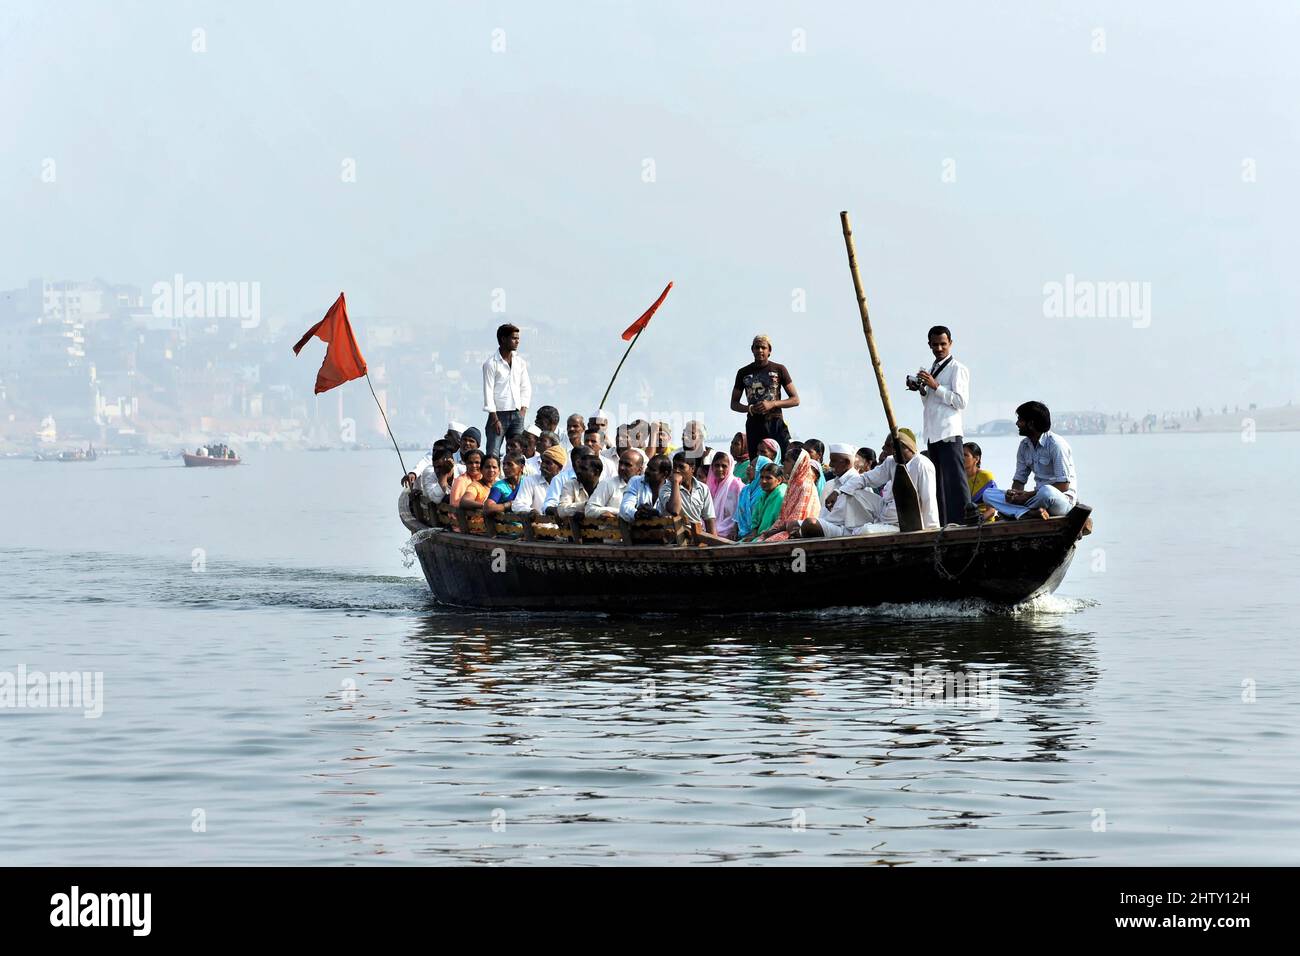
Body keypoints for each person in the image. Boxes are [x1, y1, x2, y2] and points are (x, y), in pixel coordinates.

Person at [905, 325, 972, 525]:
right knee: (938, 482)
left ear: (950, 343)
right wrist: (922, 389)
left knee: (955, 480)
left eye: (943, 344)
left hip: (949, 431)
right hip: (932, 432)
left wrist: (936, 386)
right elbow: (929, 402)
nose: (939, 348)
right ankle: (944, 521)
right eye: (935, 345)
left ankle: (964, 519)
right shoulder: (932, 368)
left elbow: (961, 402)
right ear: (929, 345)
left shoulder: (957, 368)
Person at [731, 333, 800, 463]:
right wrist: (750, 408)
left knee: (784, 459)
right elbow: (734, 403)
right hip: (754, 423)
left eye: (763, 347)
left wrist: (772, 404)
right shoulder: (743, 372)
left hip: (775, 422)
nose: (760, 350)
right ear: (752, 349)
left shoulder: (779, 369)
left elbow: (795, 399)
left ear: (769, 351)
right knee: (756, 462)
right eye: (756, 347)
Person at [854, 431, 940, 531]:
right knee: (854, 492)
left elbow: (928, 500)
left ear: (908, 447)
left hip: (905, 525)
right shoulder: (891, 461)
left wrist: (931, 531)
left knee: (866, 531)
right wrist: (838, 491)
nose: (893, 451)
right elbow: (866, 478)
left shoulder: (922, 464)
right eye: (891, 447)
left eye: (895, 447)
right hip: (884, 516)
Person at [1004, 401, 1077, 517]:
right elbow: (1019, 480)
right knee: (989, 494)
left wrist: (1028, 495)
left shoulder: (1056, 445)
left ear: (1031, 424)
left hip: (1060, 501)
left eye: (1020, 420)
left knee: (1046, 491)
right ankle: (1028, 512)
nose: (1017, 424)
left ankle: (1020, 512)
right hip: (1036, 498)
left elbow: (1064, 486)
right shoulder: (1024, 446)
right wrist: (1014, 494)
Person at [481, 323, 531, 458]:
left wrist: (523, 410)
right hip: (498, 415)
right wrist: (494, 418)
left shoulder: (520, 362)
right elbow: (488, 391)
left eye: (518, 338)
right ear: (503, 339)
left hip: (517, 414)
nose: (517, 341)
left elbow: (525, 386)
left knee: (517, 453)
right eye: (514, 338)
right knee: (493, 453)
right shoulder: (491, 364)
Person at [760, 447, 822, 541]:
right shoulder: (794, 483)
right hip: (785, 527)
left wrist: (775, 531)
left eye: (787, 460)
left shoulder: (805, 486)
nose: (784, 463)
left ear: (797, 464)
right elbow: (784, 515)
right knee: (760, 539)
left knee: (766, 543)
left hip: (797, 531)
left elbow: (798, 518)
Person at [658, 451, 716, 533]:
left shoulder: (703, 488)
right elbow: (675, 510)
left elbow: (709, 520)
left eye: (681, 467)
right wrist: (675, 482)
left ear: (692, 469)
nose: (677, 470)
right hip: (673, 538)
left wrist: (713, 543)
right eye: (674, 467)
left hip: (697, 536)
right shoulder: (666, 488)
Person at [587, 448, 644, 517]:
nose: (622, 467)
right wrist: (619, 512)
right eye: (620, 463)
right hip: (612, 527)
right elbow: (589, 509)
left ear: (639, 470)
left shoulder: (645, 487)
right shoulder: (607, 483)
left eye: (627, 465)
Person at [734, 447, 776, 540]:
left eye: (753, 466)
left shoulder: (765, 491)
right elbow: (738, 514)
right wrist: (735, 530)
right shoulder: (745, 490)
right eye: (749, 465)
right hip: (741, 534)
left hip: (756, 535)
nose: (748, 468)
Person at [740, 462, 787, 541]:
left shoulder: (781, 496)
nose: (763, 481)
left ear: (779, 480)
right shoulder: (763, 495)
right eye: (761, 477)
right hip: (760, 535)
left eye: (768, 478)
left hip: (773, 537)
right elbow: (755, 520)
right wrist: (753, 535)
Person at [621, 453, 672, 523]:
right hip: (637, 531)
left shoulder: (672, 489)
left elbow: (673, 514)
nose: (647, 471)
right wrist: (638, 514)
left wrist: (657, 514)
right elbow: (625, 507)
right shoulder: (635, 481)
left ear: (664, 474)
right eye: (648, 467)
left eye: (652, 470)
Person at [514, 444, 566, 514]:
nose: (543, 466)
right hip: (536, 523)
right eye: (542, 462)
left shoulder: (566, 484)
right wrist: (531, 511)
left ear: (559, 467)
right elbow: (518, 505)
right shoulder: (530, 481)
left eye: (548, 463)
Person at [705, 450, 745, 540]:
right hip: (713, 526)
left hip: (729, 529)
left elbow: (740, 510)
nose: (720, 469)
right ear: (712, 467)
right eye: (717, 465)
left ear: (730, 467)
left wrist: (734, 529)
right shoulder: (711, 484)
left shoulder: (736, 485)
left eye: (724, 466)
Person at [556, 453, 604, 518]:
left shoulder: (605, 487)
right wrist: (586, 506)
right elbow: (561, 510)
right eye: (578, 468)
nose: (578, 471)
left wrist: (589, 510)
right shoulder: (570, 484)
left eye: (583, 469)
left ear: (596, 472)